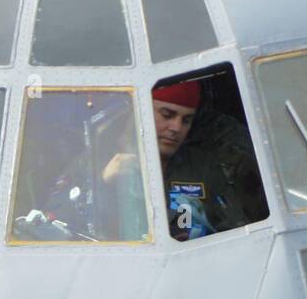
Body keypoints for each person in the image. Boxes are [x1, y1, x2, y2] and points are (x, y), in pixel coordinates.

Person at [104, 80, 268, 241]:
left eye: (186, 120)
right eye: (167, 115)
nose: (177, 127)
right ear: (141, 111)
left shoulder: (204, 165)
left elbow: (235, 227)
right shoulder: (101, 159)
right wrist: (104, 184)